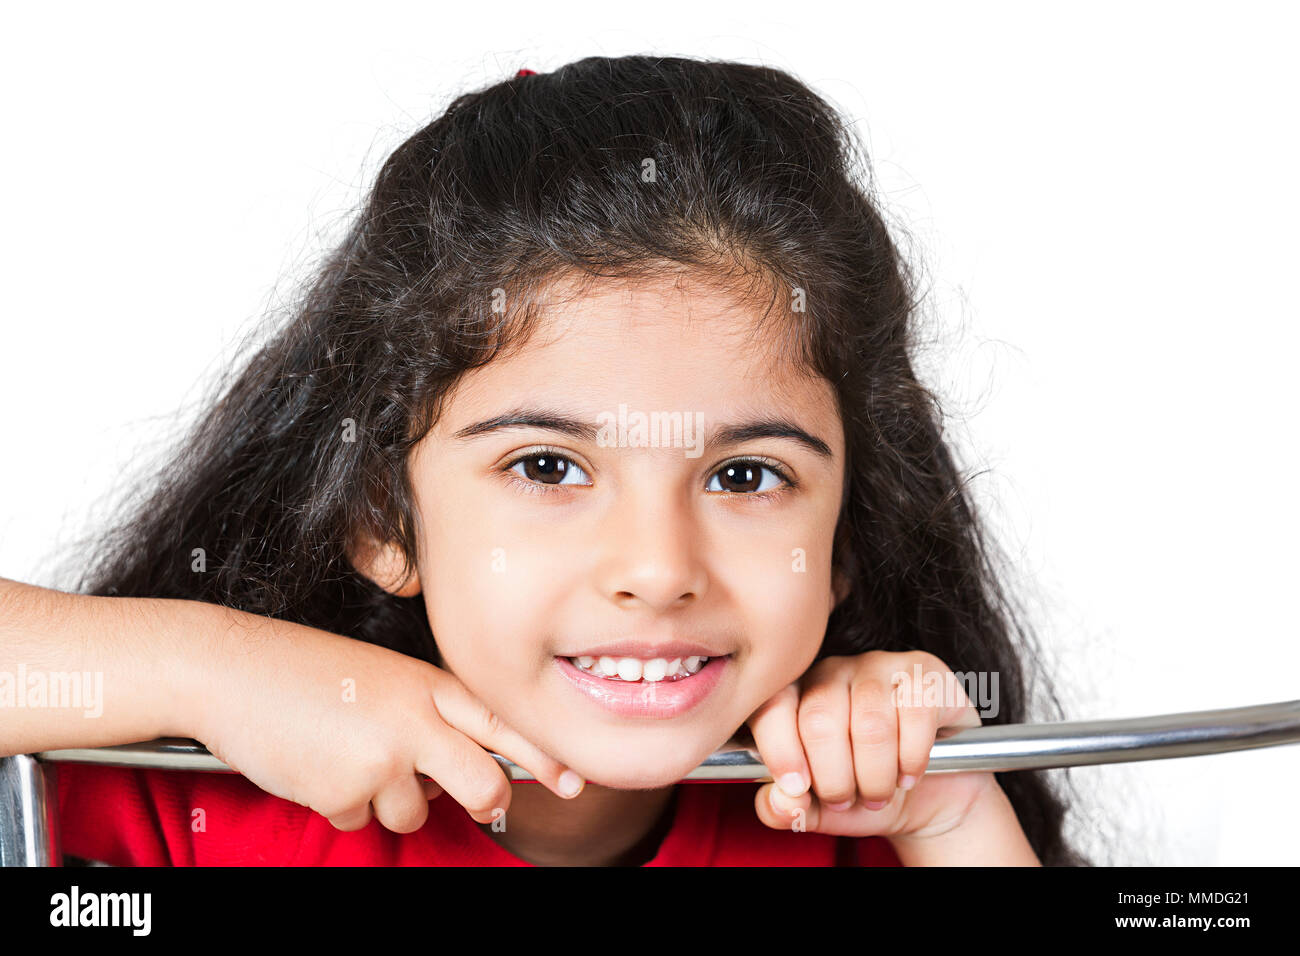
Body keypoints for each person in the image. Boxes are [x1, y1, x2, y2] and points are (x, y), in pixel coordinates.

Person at [1, 55, 1089, 866]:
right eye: (547, 467)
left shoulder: (855, 821)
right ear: (383, 512)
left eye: (745, 476)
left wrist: (952, 811)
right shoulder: (179, 803)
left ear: (847, 534)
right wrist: (200, 663)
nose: (657, 569)